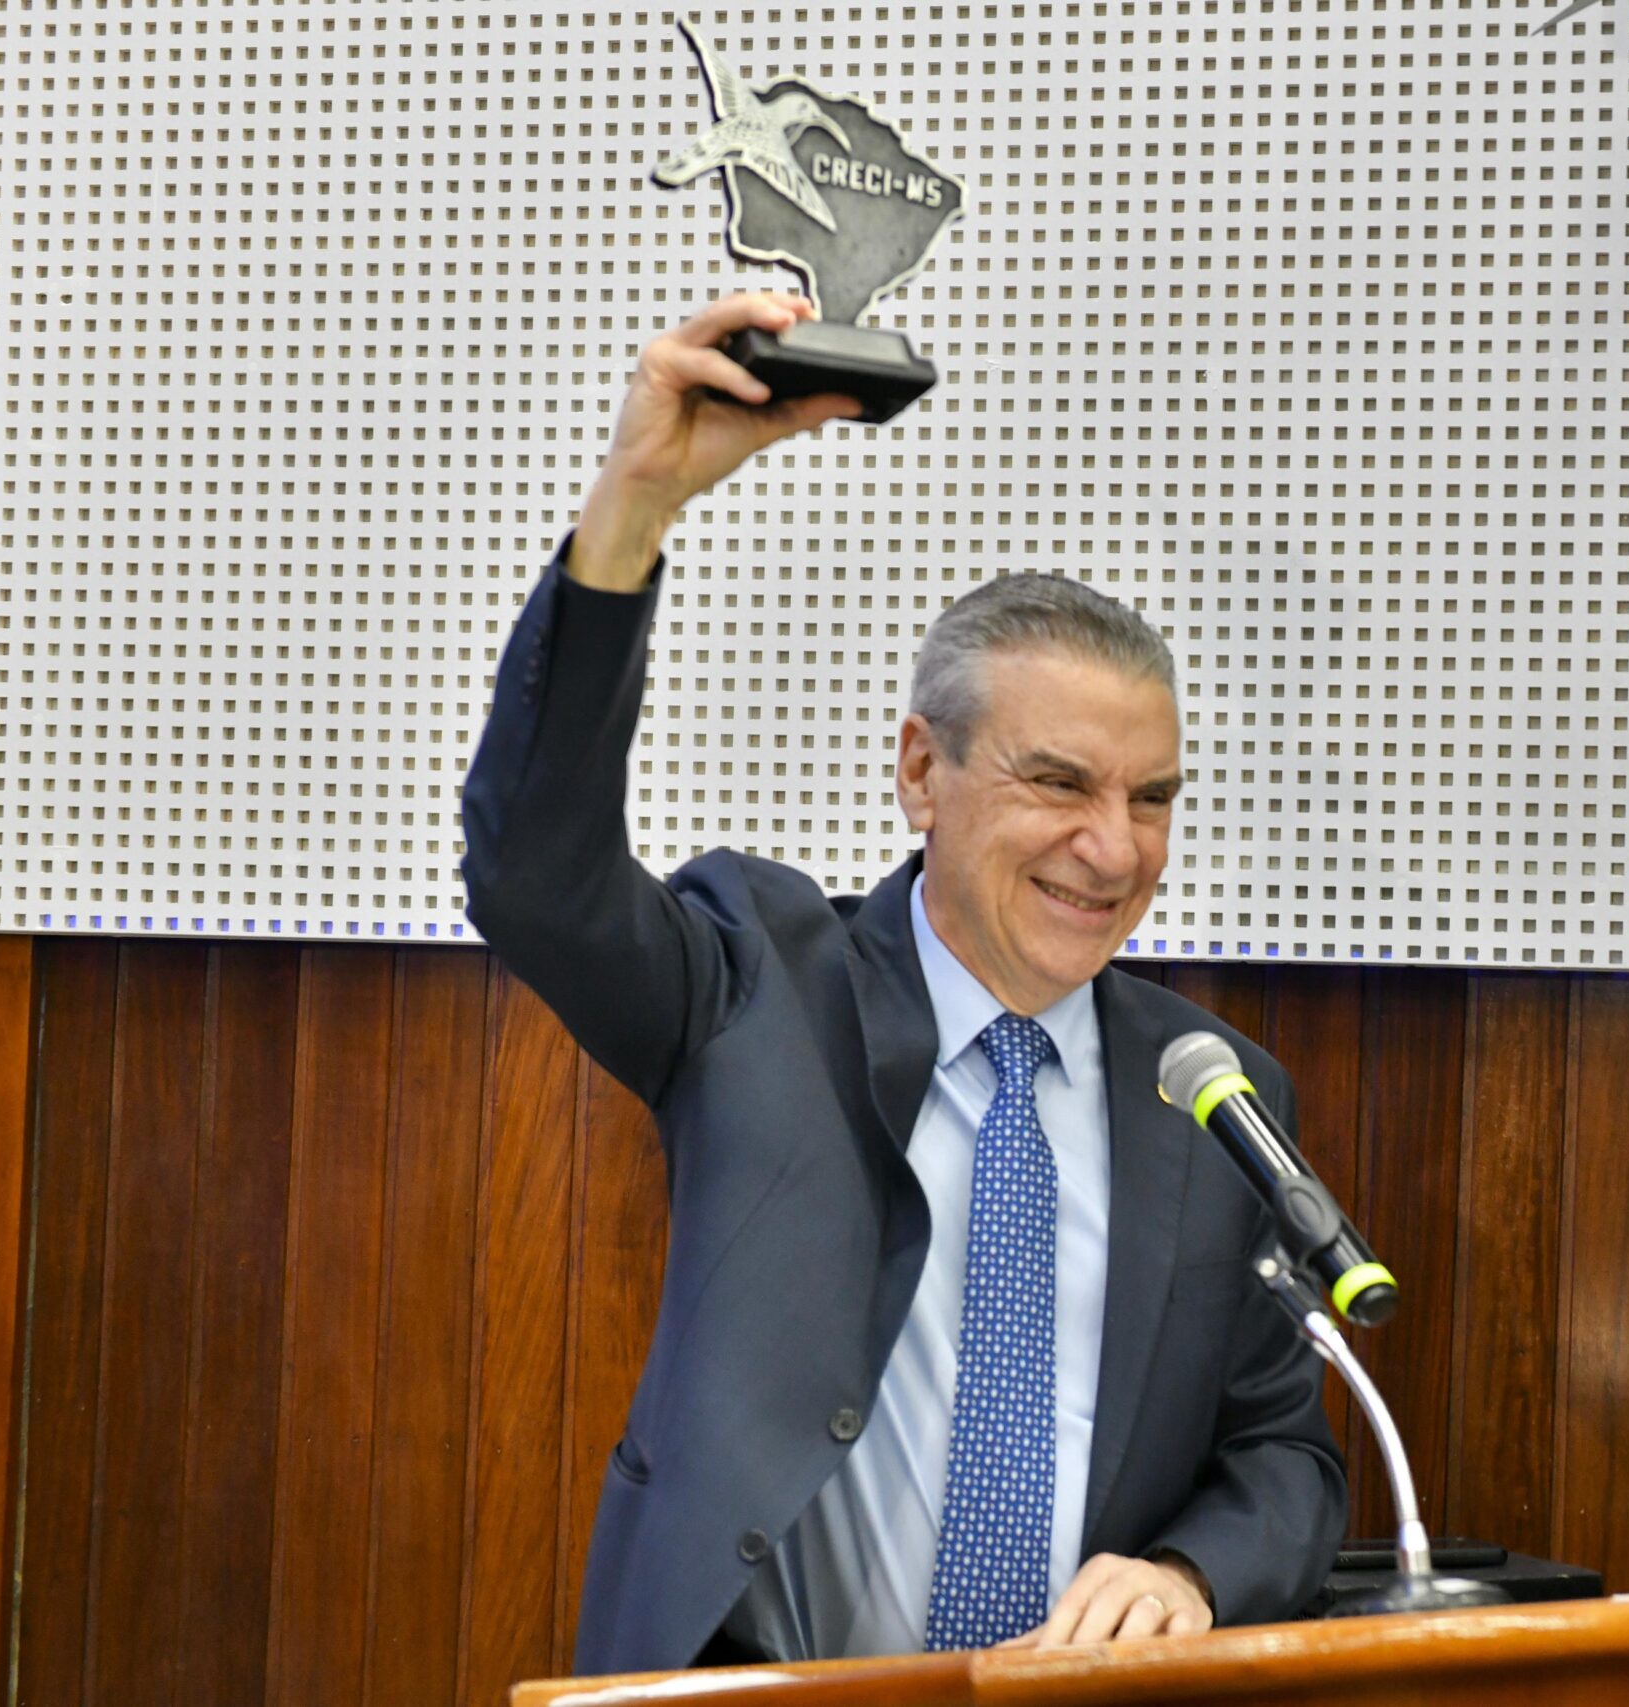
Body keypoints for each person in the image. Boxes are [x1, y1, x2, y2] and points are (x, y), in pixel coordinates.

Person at [460, 291, 1346, 1675]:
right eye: (1057, 783)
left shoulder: (1210, 1093)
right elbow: (535, 875)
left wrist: (1188, 1572)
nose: (1113, 850)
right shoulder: (755, 981)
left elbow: (1281, 1455)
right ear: (922, 773)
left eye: (1153, 798)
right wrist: (634, 508)